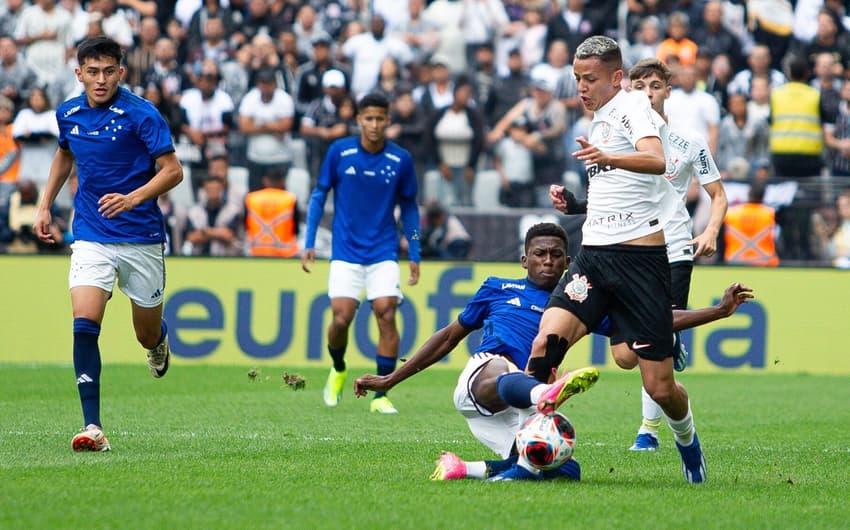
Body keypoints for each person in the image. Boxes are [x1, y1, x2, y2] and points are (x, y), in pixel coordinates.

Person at [354, 223, 754, 481]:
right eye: (540, 254)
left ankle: (467, 469)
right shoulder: (497, 287)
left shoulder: (581, 305)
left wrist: (718, 311)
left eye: (556, 255)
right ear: (524, 259)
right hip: (484, 381)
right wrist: (391, 379)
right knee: (501, 368)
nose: (548, 261)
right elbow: (448, 337)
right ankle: (541, 392)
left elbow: (655, 321)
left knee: (560, 470)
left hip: (518, 412)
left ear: (568, 262)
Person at [494, 36, 707, 484]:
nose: (580, 87)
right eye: (576, 79)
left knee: (659, 386)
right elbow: (614, 190)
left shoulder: (633, 107)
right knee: (543, 347)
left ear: (615, 77)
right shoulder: (598, 122)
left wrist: (608, 156)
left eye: (589, 79)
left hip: (641, 264)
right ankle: (529, 460)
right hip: (593, 259)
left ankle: (688, 444)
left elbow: (655, 158)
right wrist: (574, 204)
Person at [33, 36, 183, 452]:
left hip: (141, 238)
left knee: (145, 333)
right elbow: (65, 154)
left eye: (108, 71)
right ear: (78, 73)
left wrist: (133, 198)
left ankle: (158, 344)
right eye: (92, 72)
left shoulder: (142, 114)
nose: (100, 80)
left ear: (122, 72)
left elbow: (173, 171)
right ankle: (93, 427)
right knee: (85, 322)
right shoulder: (68, 112)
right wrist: (44, 205)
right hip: (91, 236)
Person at [301, 91, 421, 414]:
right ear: (358, 120)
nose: (374, 124)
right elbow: (318, 194)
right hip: (346, 251)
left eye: (380, 118)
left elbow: (409, 208)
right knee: (341, 318)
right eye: (368, 118)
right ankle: (339, 367)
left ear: (388, 121)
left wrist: (415, 250)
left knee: (386, 312)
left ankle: (381, 395)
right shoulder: (339, 152)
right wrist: (309, 240)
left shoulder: (401, 160)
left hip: (383, 250)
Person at [723, 180, 780, 266]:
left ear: (748, 194)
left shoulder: (732, 213)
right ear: (763, 196)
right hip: (765, 260)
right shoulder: (770, 213)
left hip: (735, 259)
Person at [244, 170, 300, 258]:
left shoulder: (251, 198)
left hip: (256, 251)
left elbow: (245, 225)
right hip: (285, 253)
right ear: (282, 182)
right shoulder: (290, 199)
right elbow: (296, 228)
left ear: (265, 181)